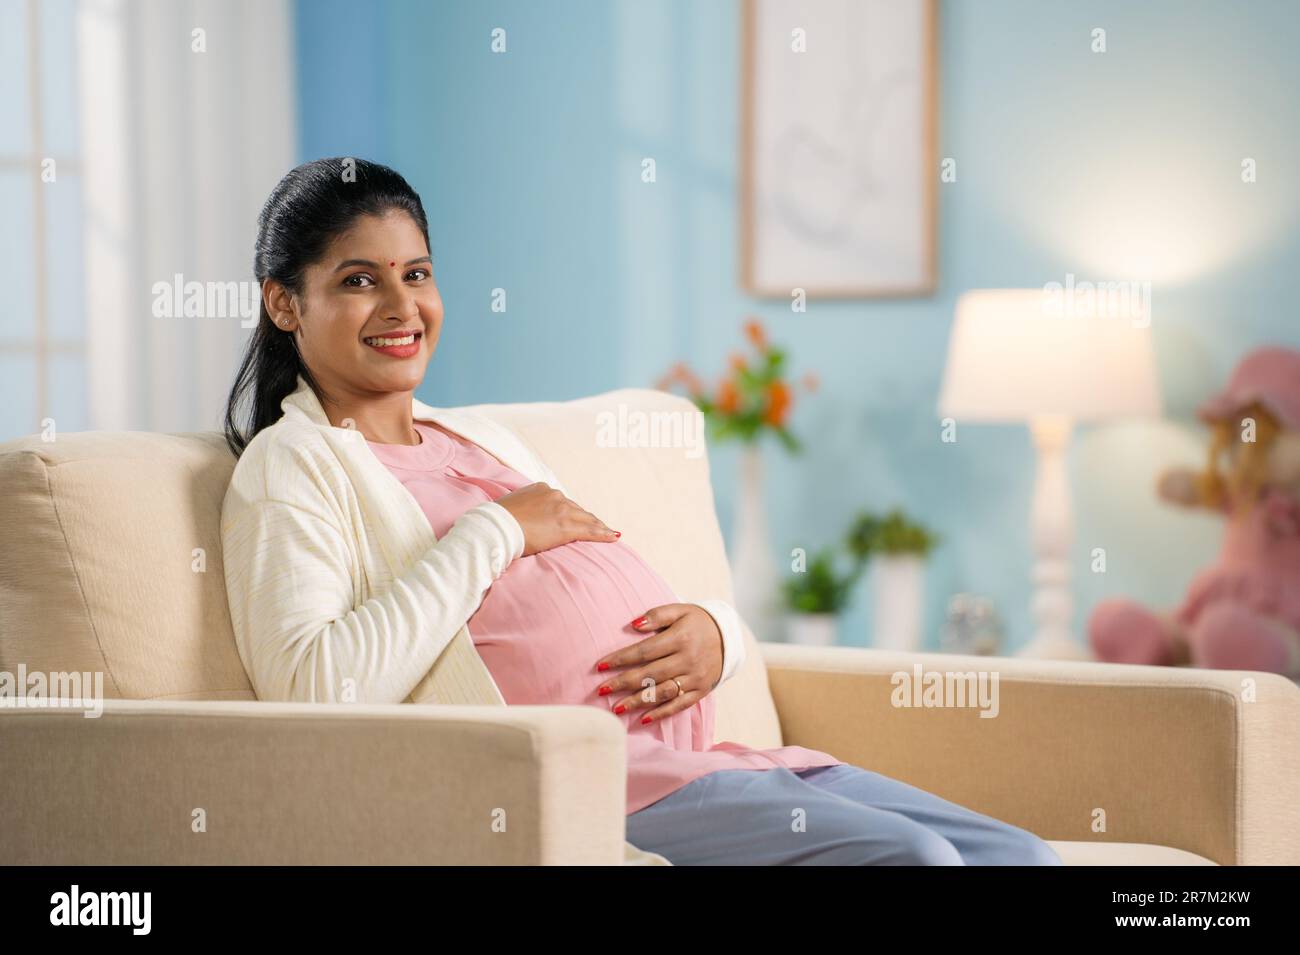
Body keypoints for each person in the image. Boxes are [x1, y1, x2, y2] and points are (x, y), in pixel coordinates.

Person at [221, 157, 1062, 866]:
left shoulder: (485, 440)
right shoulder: (292, 465)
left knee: (1021, 859)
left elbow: (630, 587)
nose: (403, 307)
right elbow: (316, 689)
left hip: (705, 762)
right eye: (359, 281)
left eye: (417, 274)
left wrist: (718, 636)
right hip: (594, 792)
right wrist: (499, 530)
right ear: (285, 303)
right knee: (917, 862)